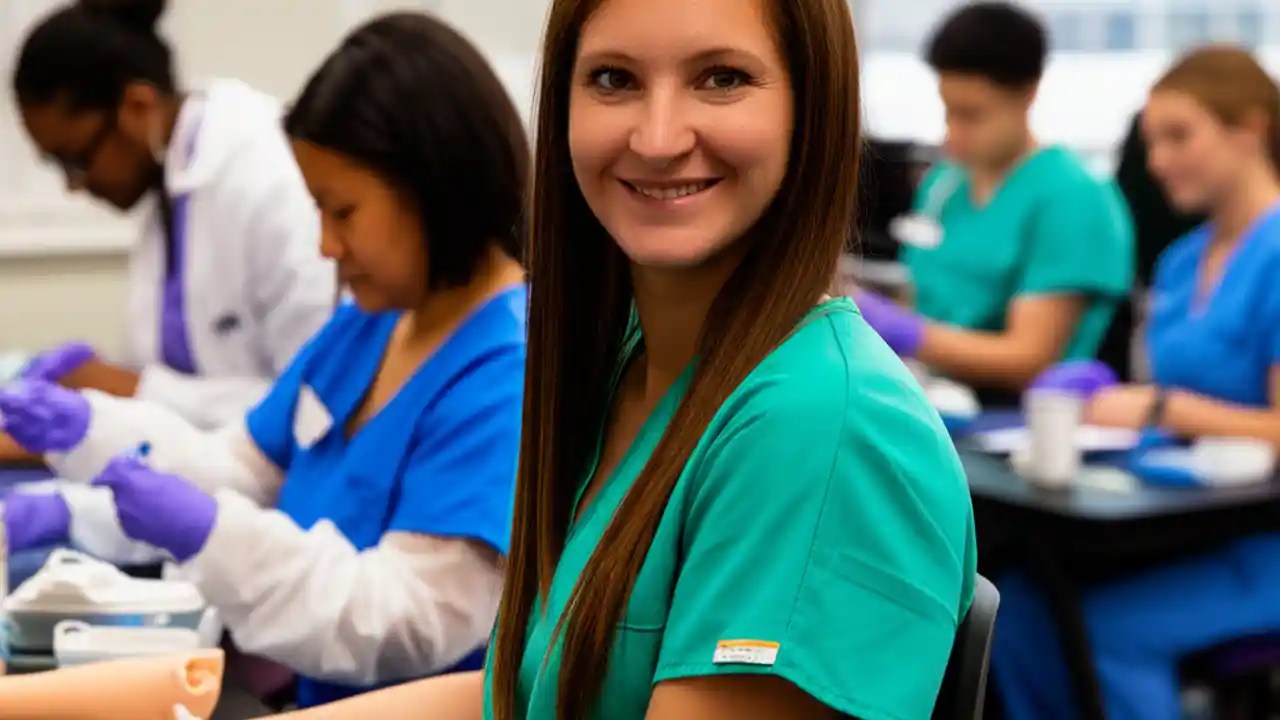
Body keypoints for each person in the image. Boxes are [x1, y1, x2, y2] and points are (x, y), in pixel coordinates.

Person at [271, 0, 976, 718]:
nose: (658, 136)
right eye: (613, 79)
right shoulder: (632, 367)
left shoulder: (824, 429)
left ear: (812, 105)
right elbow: (522, 696)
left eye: (723, 78)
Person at [0, 12, 529, 708]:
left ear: (436, 188)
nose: (324, 248)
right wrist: (87, 442)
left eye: (342, 212)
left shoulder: (505, 373)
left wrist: (209, 535)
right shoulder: (369, 325)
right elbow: (240, 466)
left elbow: (405, 622)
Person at [997, 47, 1280, 720]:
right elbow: (1164, 407)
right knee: (1019, 609)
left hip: (1262, 542)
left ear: (1250, 128)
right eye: (1151, 141)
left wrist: (1162, 406)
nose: (1155, 162)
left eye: (1179, 137)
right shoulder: (1182, 263)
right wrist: (1102, 398)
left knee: (1106, 630)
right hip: (1185, 523)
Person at [10, 0, 334, 431]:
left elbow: (314, 407)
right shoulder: (167, 180)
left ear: (137, 107)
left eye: (76, 160)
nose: (74, 186)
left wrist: (131, 389)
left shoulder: (271, 180)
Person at [853, 1, 1133, 399]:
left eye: (972, 115)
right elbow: (923, 295)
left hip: (1017, 420)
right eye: (948, 111)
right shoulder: (945, 185)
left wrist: (906, 332)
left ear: (1028, 95)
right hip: (933, 398)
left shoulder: (1074, 199)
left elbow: (1028, 358)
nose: (952, 133)